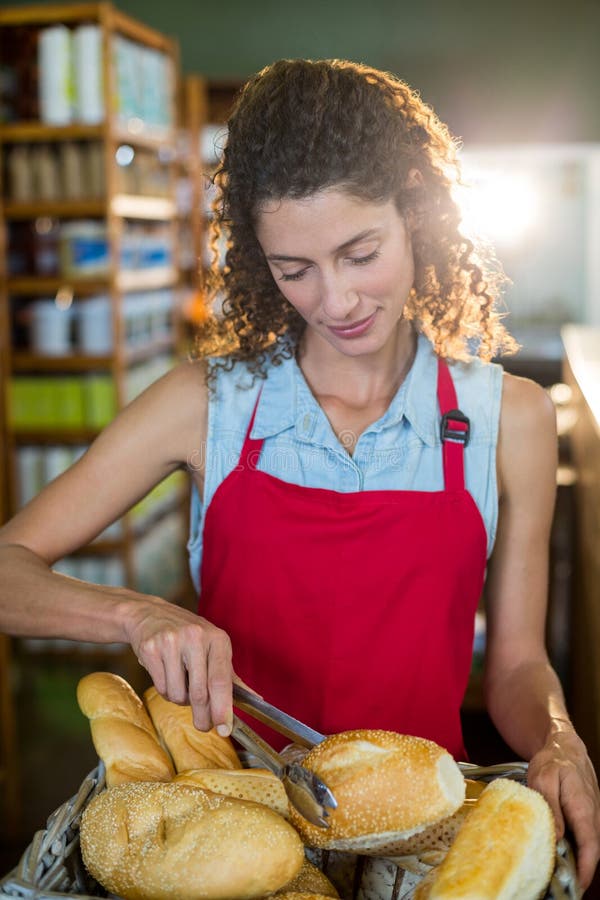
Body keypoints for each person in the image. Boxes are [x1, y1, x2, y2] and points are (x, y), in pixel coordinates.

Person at [1, 58, 599, 888]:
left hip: (422, 843)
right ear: (258, 259)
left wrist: (558, 736)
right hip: (236, 838)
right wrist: (134, 615)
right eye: (294, 269)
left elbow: (514, 669)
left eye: (361, 253)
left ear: (418, 216)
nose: (336, 300)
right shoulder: (204, 405)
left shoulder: (511, 421)